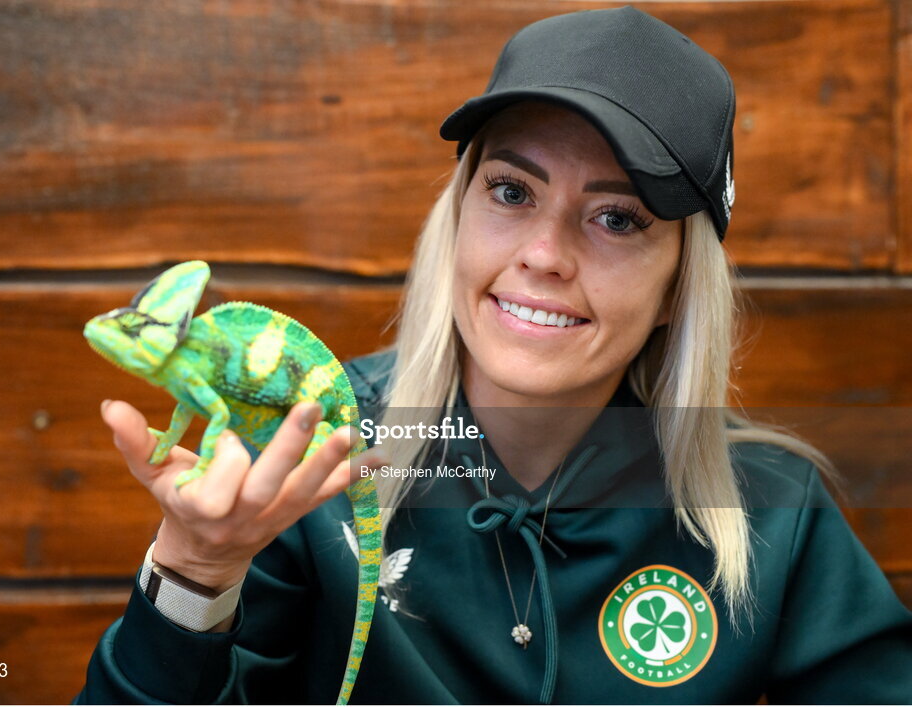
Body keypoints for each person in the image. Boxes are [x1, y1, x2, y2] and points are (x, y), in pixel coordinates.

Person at [75, 6, 912, 704]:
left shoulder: (770, 507)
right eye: (511, 192)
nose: (545, 253)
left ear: (678, 287)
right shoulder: (321, 457)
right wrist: (195, 570)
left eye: (618, 218)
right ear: (458, 216)